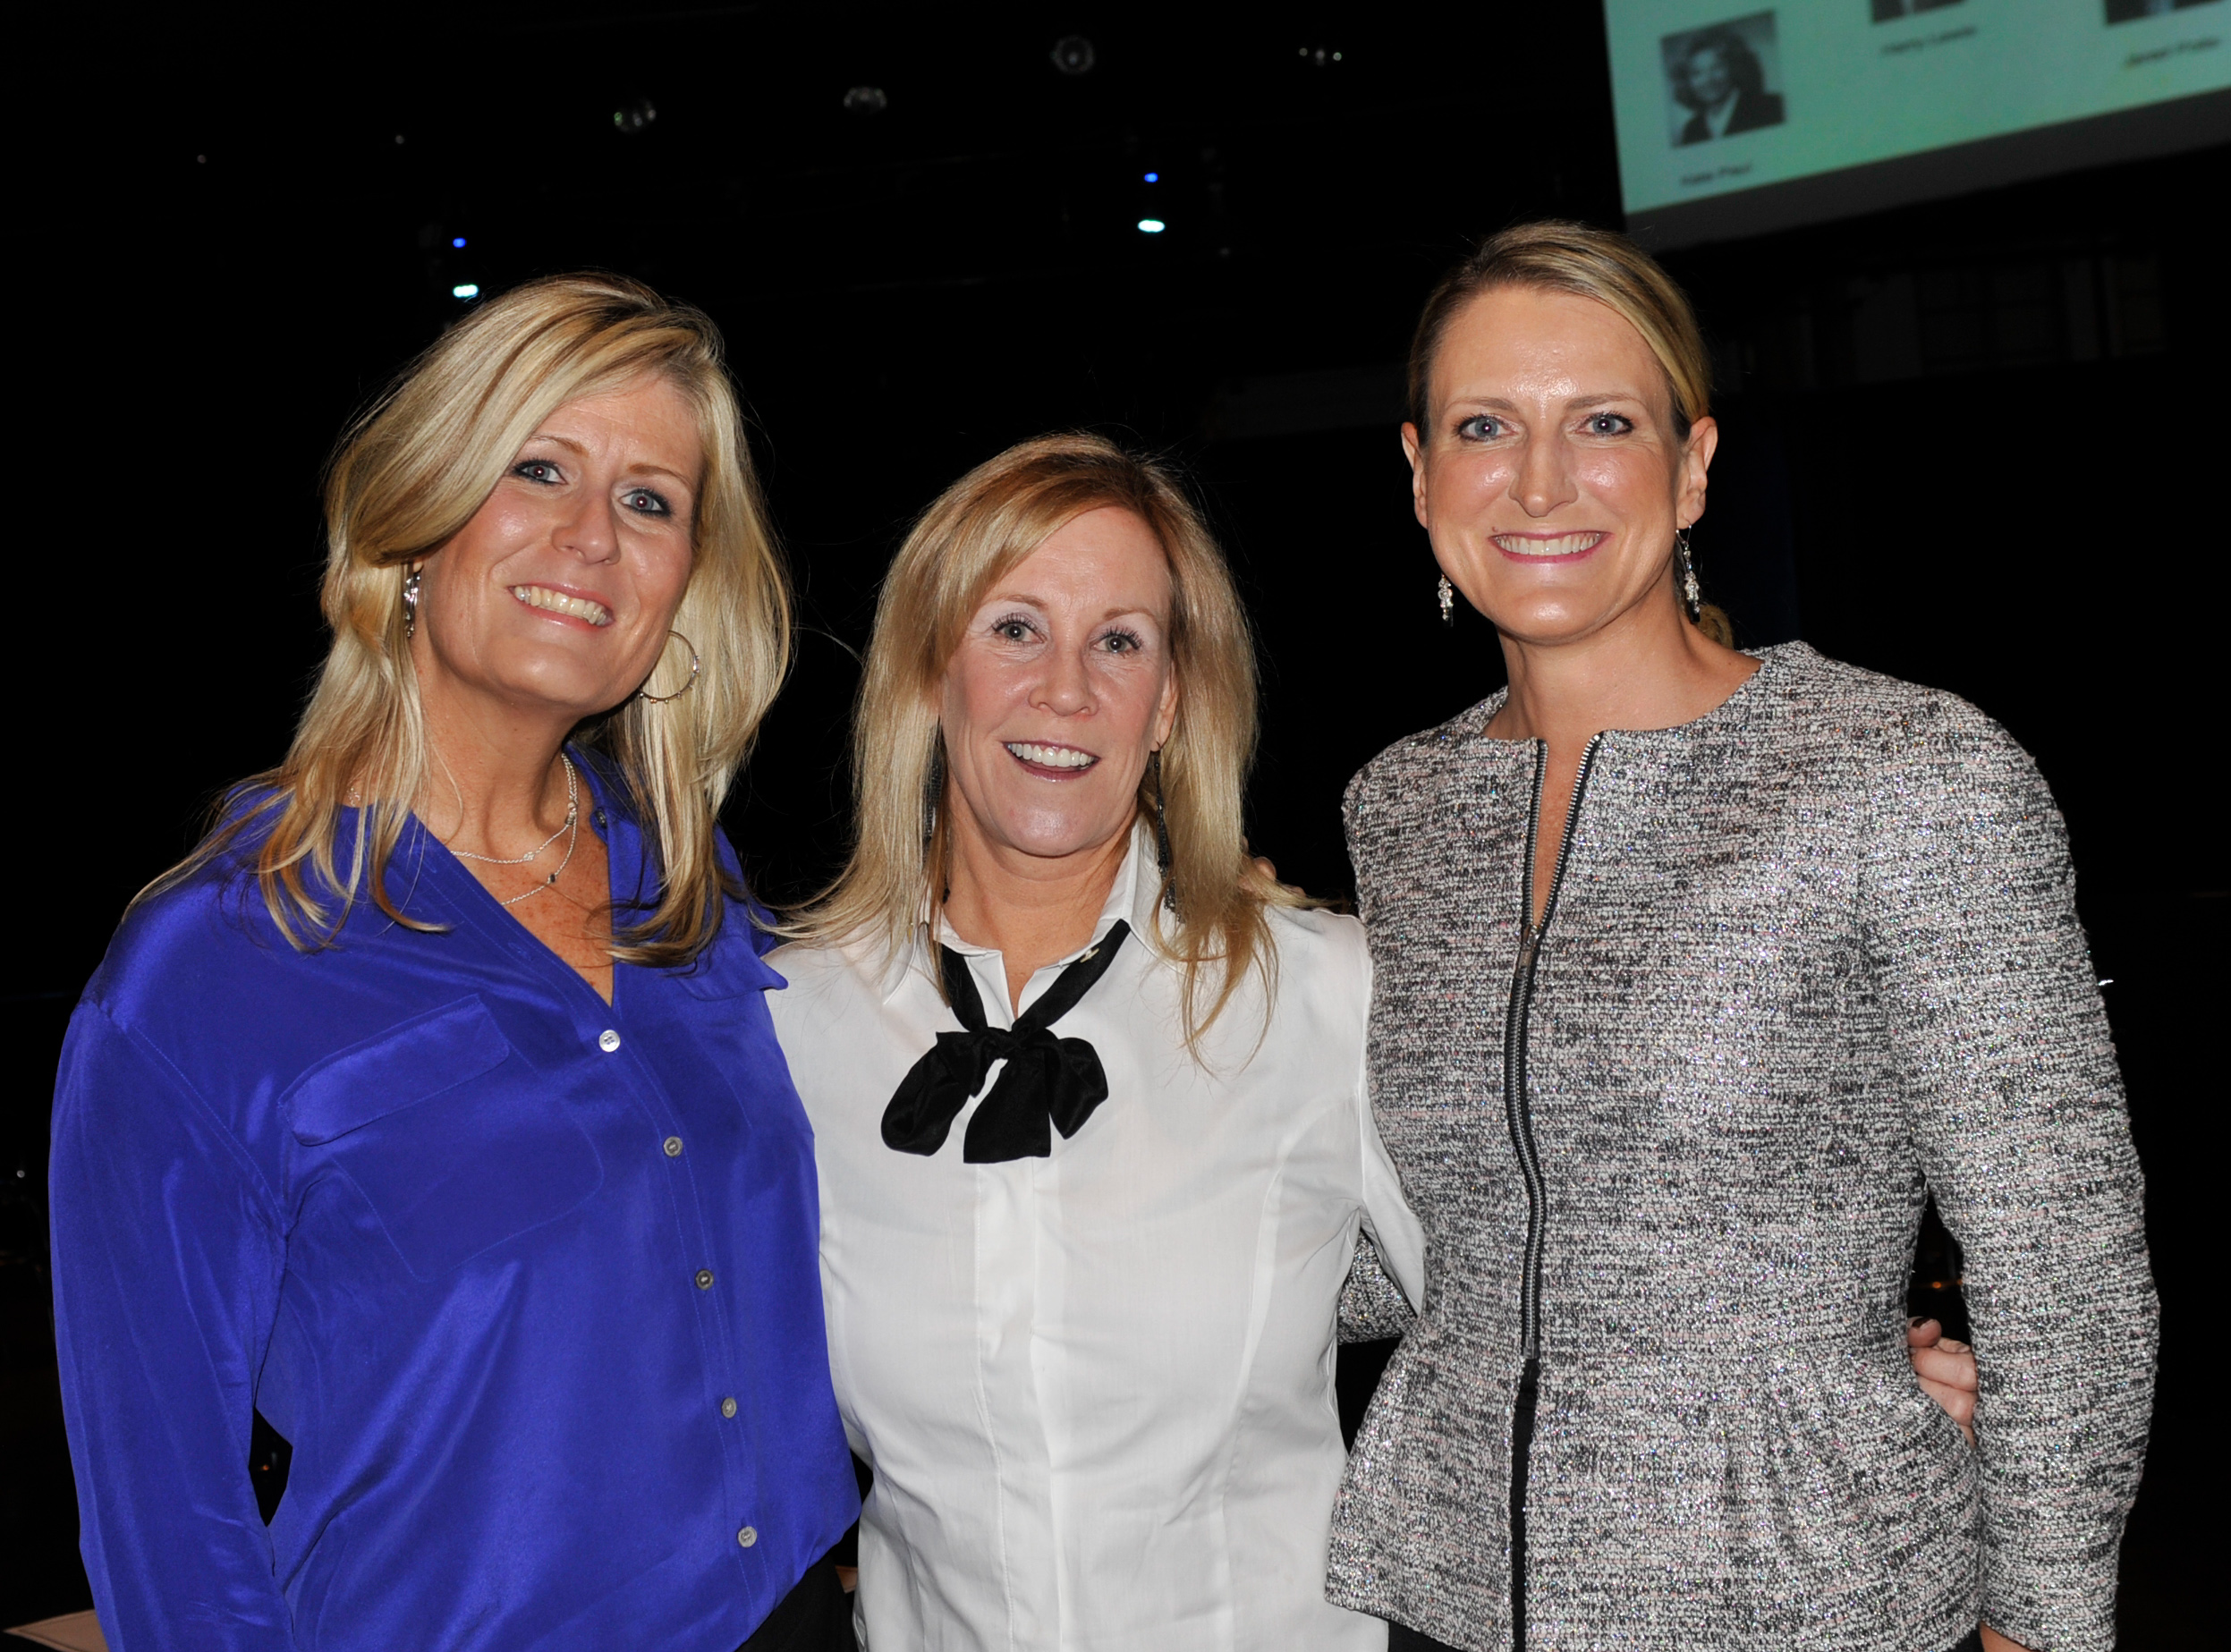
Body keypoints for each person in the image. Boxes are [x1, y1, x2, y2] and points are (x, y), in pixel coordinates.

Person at [766, 433, 1980, 1649]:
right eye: (1013, 627)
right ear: (929, 670)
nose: (1066, 687)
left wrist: (1815, 1377)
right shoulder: (782, 1021)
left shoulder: (1317, 993)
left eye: (1120, 640)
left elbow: (1538, 1280)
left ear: (1170, 700)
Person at [1322, 223, 2155, 1652]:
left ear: (1692, 464)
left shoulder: (1901, 768)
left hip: (1805, 1596)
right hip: (1451, 1595)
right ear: (1415, 474)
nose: (1536, 480)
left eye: (1601, 422)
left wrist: (2042, 1617)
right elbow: (1432, 1240)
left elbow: (2061, 1257)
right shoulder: (1397, 806)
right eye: (1481, 427)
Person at [48, 275, 858, 1650]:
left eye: (651, 501)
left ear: (681, 588)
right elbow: (164, 1513)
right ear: (420, 520)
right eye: (536, 468)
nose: (591, 537)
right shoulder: (213, 963)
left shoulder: (692, 892)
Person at [1672, 29, 1784, 145]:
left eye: (1717, 67)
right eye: (1697, 73)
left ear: (1734, 67)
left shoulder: (1772, 107)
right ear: (1686, 80)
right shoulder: (1691, 130)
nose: (1708, 80)